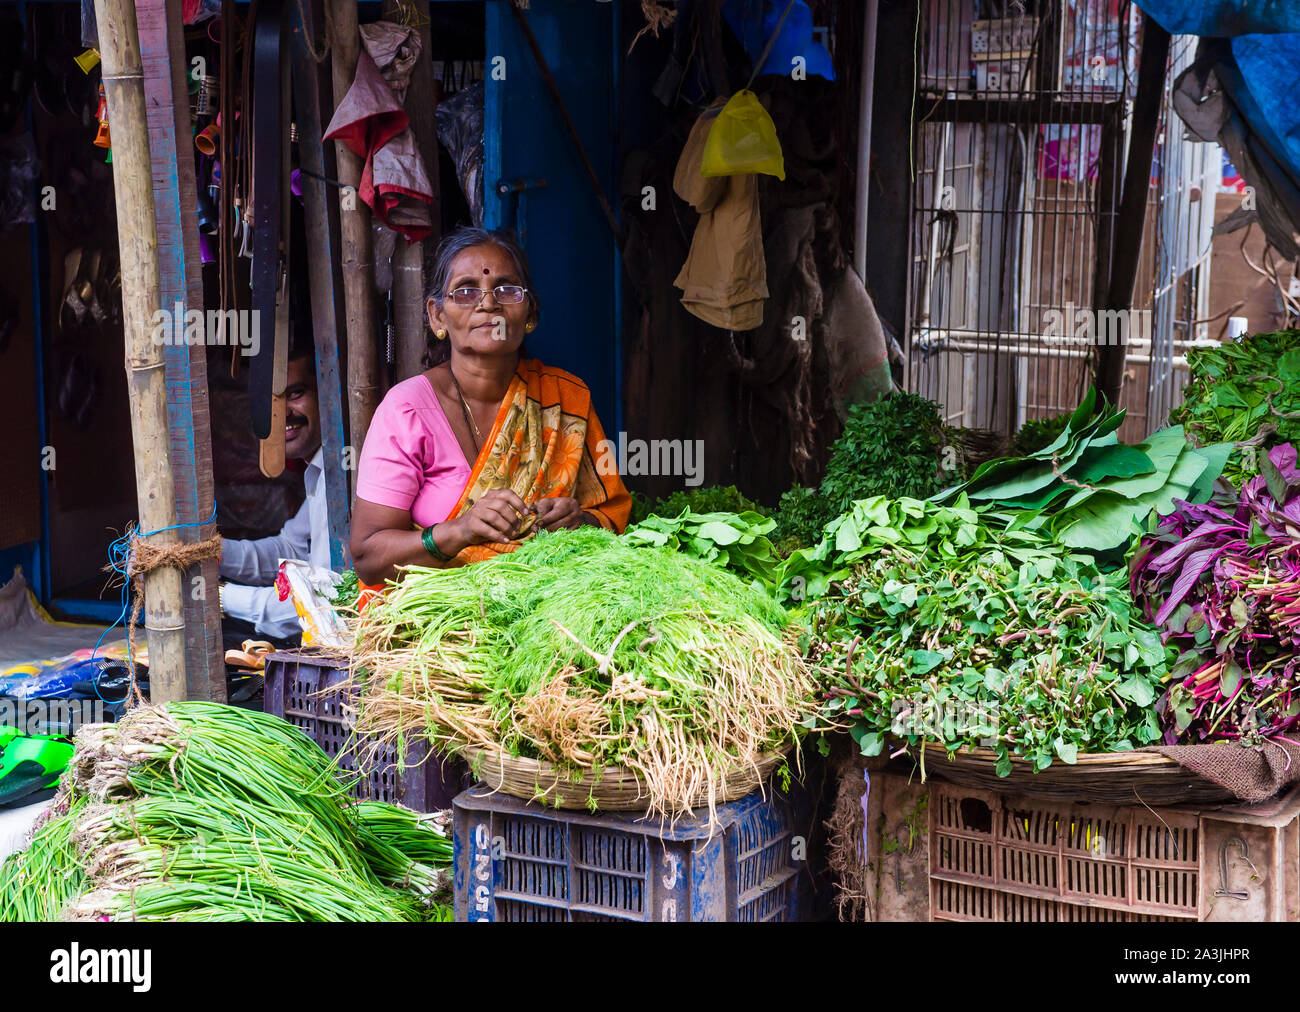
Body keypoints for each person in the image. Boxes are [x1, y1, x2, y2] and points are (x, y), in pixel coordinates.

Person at [351, 227, 631, 585]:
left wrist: (580, 522)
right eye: (466, 290)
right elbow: (367, 557)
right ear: (437, 316)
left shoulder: (567, 398)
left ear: (530, 312)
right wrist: (460, 531)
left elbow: (613, 518)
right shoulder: (407, 410)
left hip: (550, 613)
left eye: (506, 289)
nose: (488, 303)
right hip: (436, 622)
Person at [218, 346, 330, 642]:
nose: (282, 413)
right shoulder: (321, 472)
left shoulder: (348, 475)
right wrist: (208, 554)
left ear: (327, 395)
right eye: (271, 401)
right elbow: (290, 550)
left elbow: (321, 604)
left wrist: (220, 597)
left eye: (295, 394)